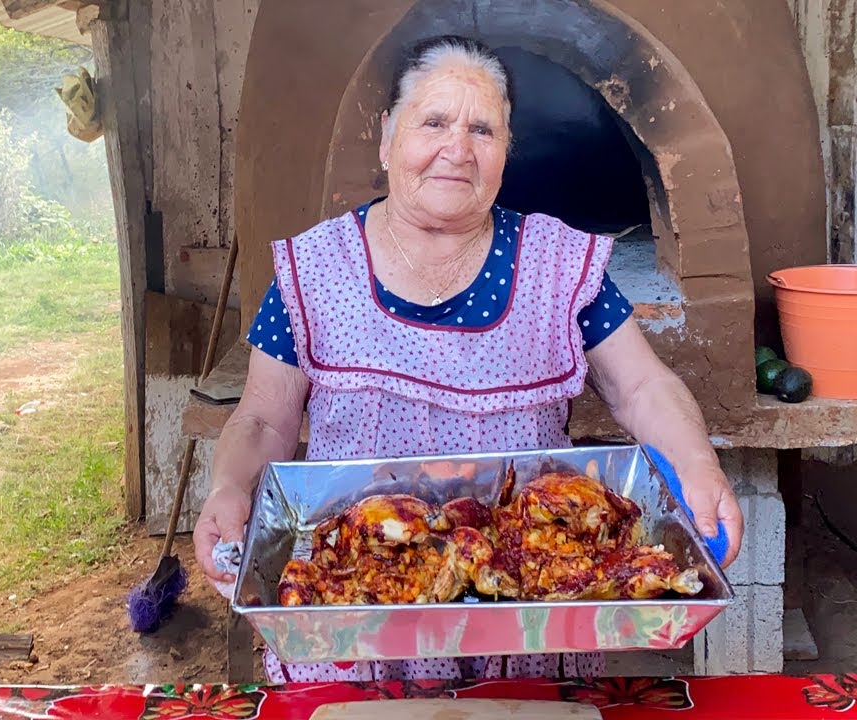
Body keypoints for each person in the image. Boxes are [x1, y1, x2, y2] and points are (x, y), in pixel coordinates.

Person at [193, 34, 742, 683]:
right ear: (387, 135)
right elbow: (261, 419)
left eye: (483, 129)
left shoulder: (558, 264)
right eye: (434, 122)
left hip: (529, 606)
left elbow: (644, 388)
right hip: (353, 609)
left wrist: (698, 465)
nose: (457, 149)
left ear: (507, 153)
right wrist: (229, 487)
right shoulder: (313, 272)